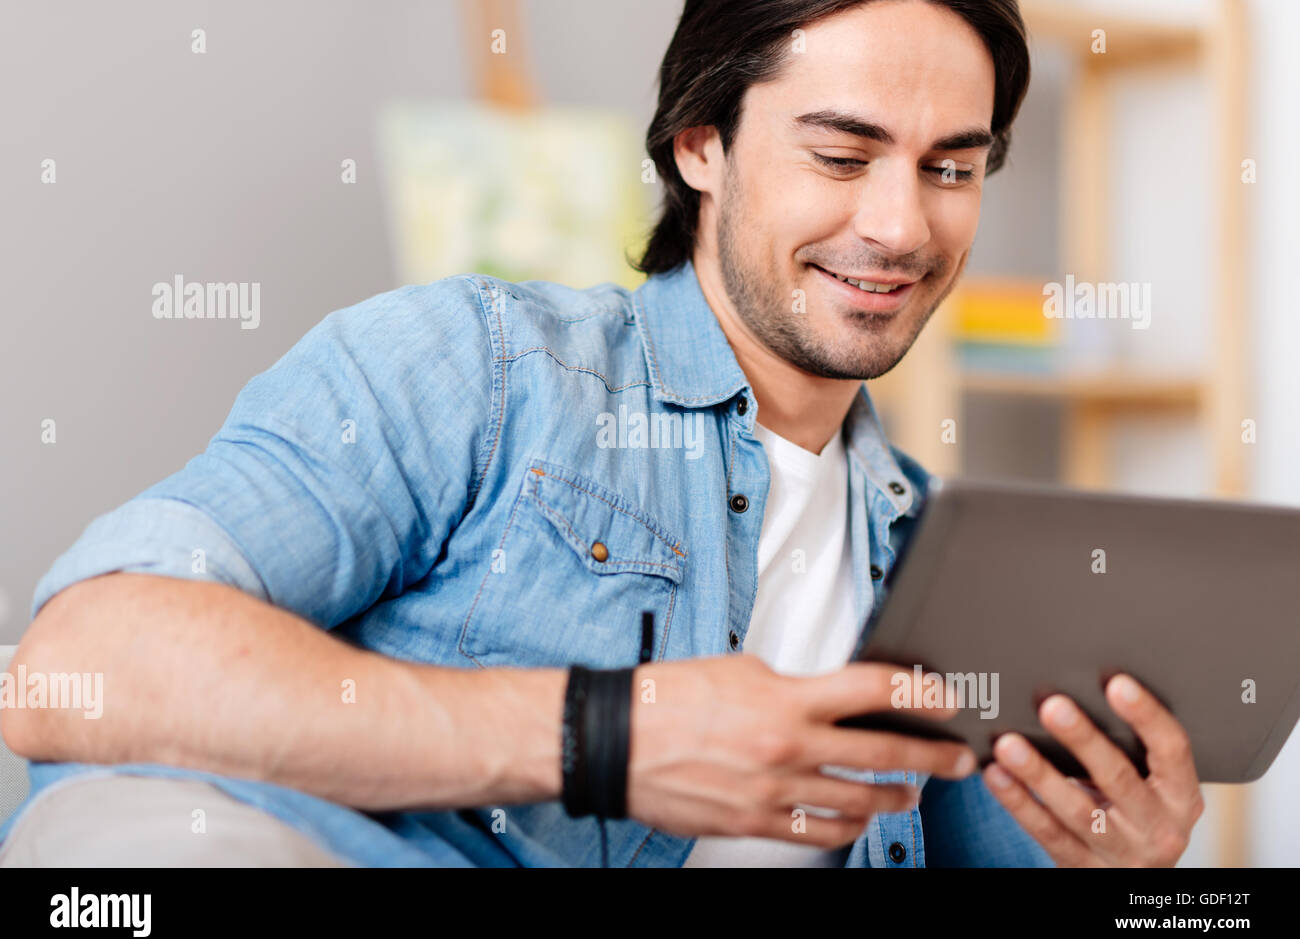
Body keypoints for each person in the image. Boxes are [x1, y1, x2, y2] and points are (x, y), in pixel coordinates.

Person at [0, 0, 1203, 868]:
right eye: (841, 155)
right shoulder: (481, 367)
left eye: (952, 168)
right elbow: (80, 673)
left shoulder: (949, 556)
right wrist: (605, 737)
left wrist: (1130, 879)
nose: (898, 225)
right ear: (700, 148)